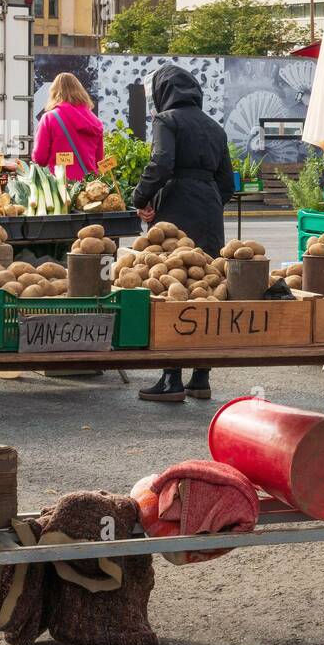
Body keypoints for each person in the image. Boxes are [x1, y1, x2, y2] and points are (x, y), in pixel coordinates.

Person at [132, 64, 235, 403]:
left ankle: (170, 378)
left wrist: (142, 198)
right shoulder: (215, 128)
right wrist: (208, 202)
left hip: (175, 209)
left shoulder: (166, 120)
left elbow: (162, 162)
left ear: (163, 92)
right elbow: (226, 183)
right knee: (205, 287)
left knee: (172, 290)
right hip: (208, 210)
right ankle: (201, 377)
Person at [32, 73, 104, 181]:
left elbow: (40, 158)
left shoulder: (50, 118)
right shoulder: (95, 121)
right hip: (89, 187)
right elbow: (99, 160)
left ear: (54, 93)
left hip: (61, 187)